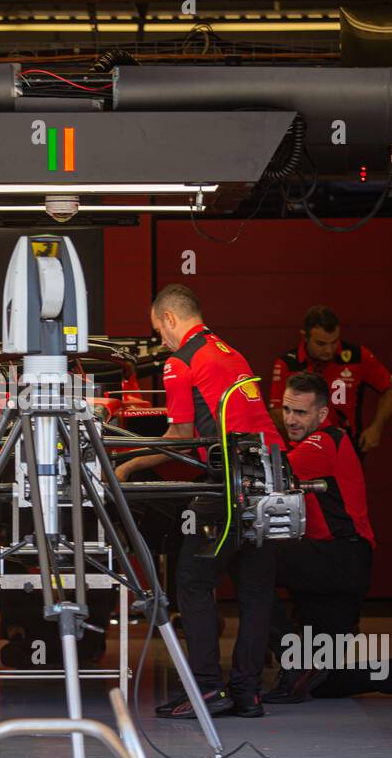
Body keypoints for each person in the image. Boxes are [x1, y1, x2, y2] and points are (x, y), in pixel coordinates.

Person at [116, 284, 284, 720]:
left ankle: (207, 690)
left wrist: (128, 464)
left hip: (227, 485)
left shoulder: (180, 361)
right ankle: (248, 693)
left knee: (192, 582)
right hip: (270, 478)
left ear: (170, 319)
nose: (161, 341)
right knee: (255, 590)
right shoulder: (230, 352)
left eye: (159, 331)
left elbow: (181, 437)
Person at [266, 371, 392, 701]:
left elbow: (271, 477)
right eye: (286, 410)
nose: (291, 420)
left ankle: (294, 661)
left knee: (249, 559)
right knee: (324, 682)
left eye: (301, 412)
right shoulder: (314, 441)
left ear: (321, 414)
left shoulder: (322, 441)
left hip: (339, 559)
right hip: (334, 562)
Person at [269, 305, 392, 454]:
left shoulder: (357, 357)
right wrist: (320, 432)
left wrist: (376, 427)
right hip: (304, 448)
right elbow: (276, 413)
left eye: (334, 342)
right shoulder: (288, 364)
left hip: (348, 446)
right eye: (321, 344)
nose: (329, 350)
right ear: (304, 337)